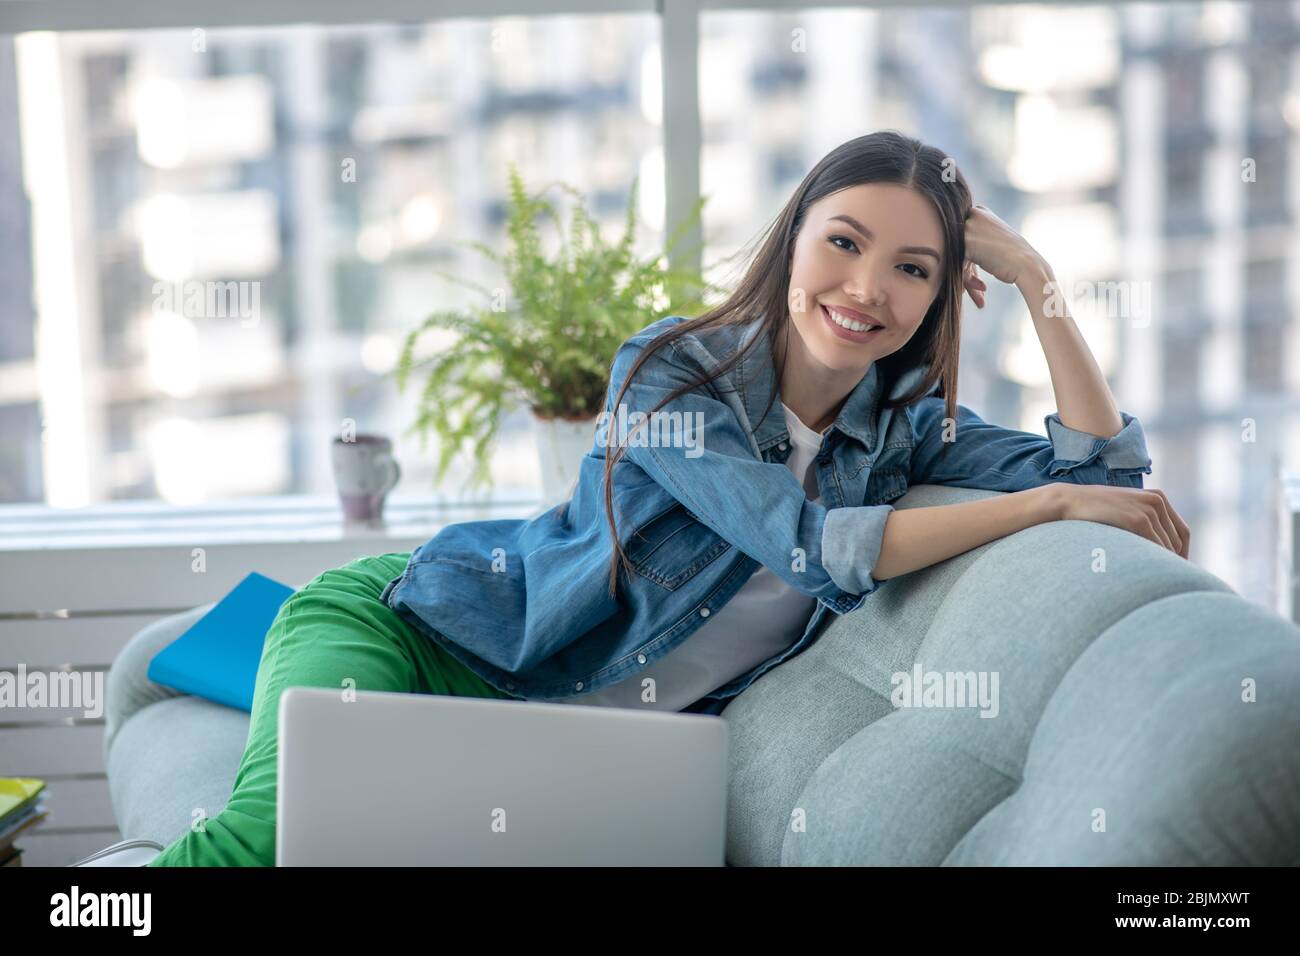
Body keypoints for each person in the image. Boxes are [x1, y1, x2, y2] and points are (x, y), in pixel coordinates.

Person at [149, 129, 1189, 866]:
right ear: (792, 239)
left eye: (913, 268)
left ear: (933, 298)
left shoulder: (901, 429)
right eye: (843, 241)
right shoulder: (671, 373)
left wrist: (1038, 280)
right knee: (261, 845)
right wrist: (1040, 509)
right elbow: (810, 543)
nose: (867, 288)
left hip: (562, 743)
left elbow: (1100, 474)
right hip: (418, 633)